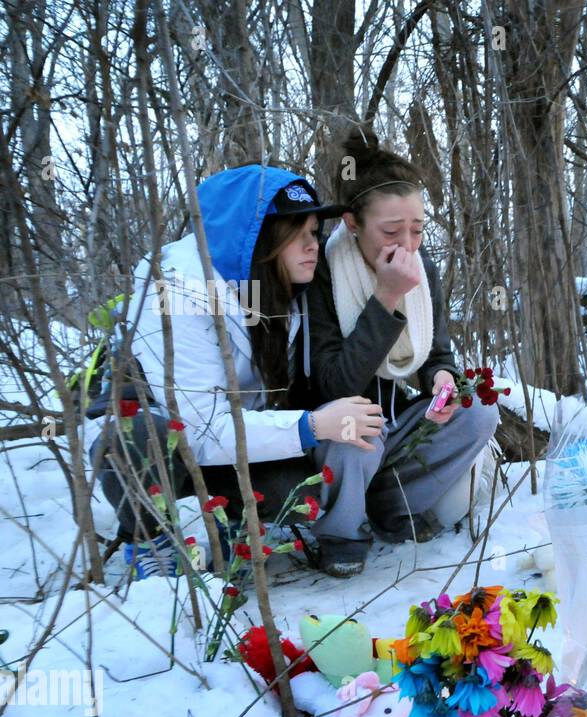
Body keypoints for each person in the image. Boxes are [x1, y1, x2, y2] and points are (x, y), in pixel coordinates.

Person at [87, 165, 384, 579]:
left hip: (234, 442)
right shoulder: (177, 296)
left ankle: (230, 524)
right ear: (257, 240)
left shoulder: (278, 287)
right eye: (296, 234)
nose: (312, 245)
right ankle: (151, 540)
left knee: (308, 491)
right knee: (134, 436)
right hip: (175, 448)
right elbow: (202, 430)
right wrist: (314, 425)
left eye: (314, 232)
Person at [303, 129, 499, 577]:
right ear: (353, 225)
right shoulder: (324, 272)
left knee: (479, 414)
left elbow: (436, 352)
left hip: (397, 425)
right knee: (357, 424)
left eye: (417, 229)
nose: (407, 244)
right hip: (338, 431)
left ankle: (395, 507)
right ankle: (341, 532)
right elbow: (335, 382)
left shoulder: (421, 265)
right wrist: (385, 299)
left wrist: (442, 379)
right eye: (391, 231)